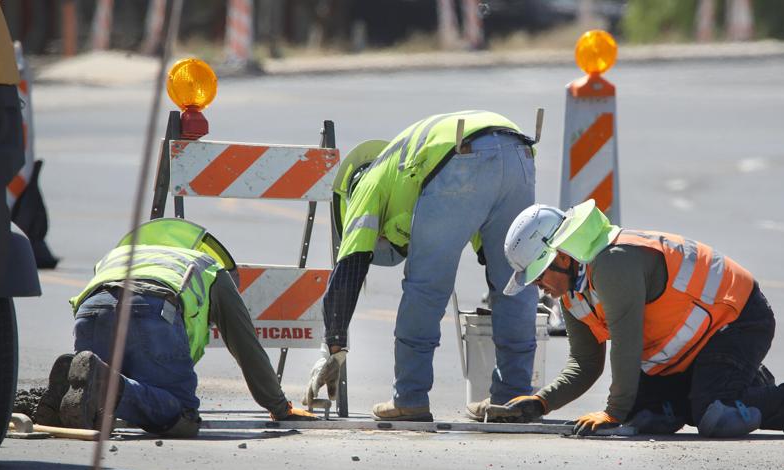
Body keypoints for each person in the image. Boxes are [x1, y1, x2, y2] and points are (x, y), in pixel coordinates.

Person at [496, 199, 784, 438]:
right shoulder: (572, 293)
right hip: (687, 351)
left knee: (717, 417)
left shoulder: (612, 262)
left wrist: (612, 412)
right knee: (646, 417)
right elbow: (585, 363)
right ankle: (742, 385)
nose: (540, 287)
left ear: (563, 257)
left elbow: (625, 345)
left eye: (539, 275)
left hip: (735, 320)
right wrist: (540, 403)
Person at [307, 110, 539, 422]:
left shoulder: (366, 186)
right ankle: (513, 397)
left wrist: (333, 347)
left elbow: (350, 266)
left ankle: (410, 398)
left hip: (461, 158)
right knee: (514, 278)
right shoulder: (405, 169)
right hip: (519, 151)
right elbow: (494, 261)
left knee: (426, 288)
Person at [34, 218, 317, 436]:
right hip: (151, 309)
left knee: (91, 402)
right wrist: (279, 407)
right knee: (182, 416)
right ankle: (103, 385)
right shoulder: (210, 269)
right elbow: (246, 346)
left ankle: (67, 393)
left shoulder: (121, 254)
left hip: (90, 311)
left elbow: (103, 304)